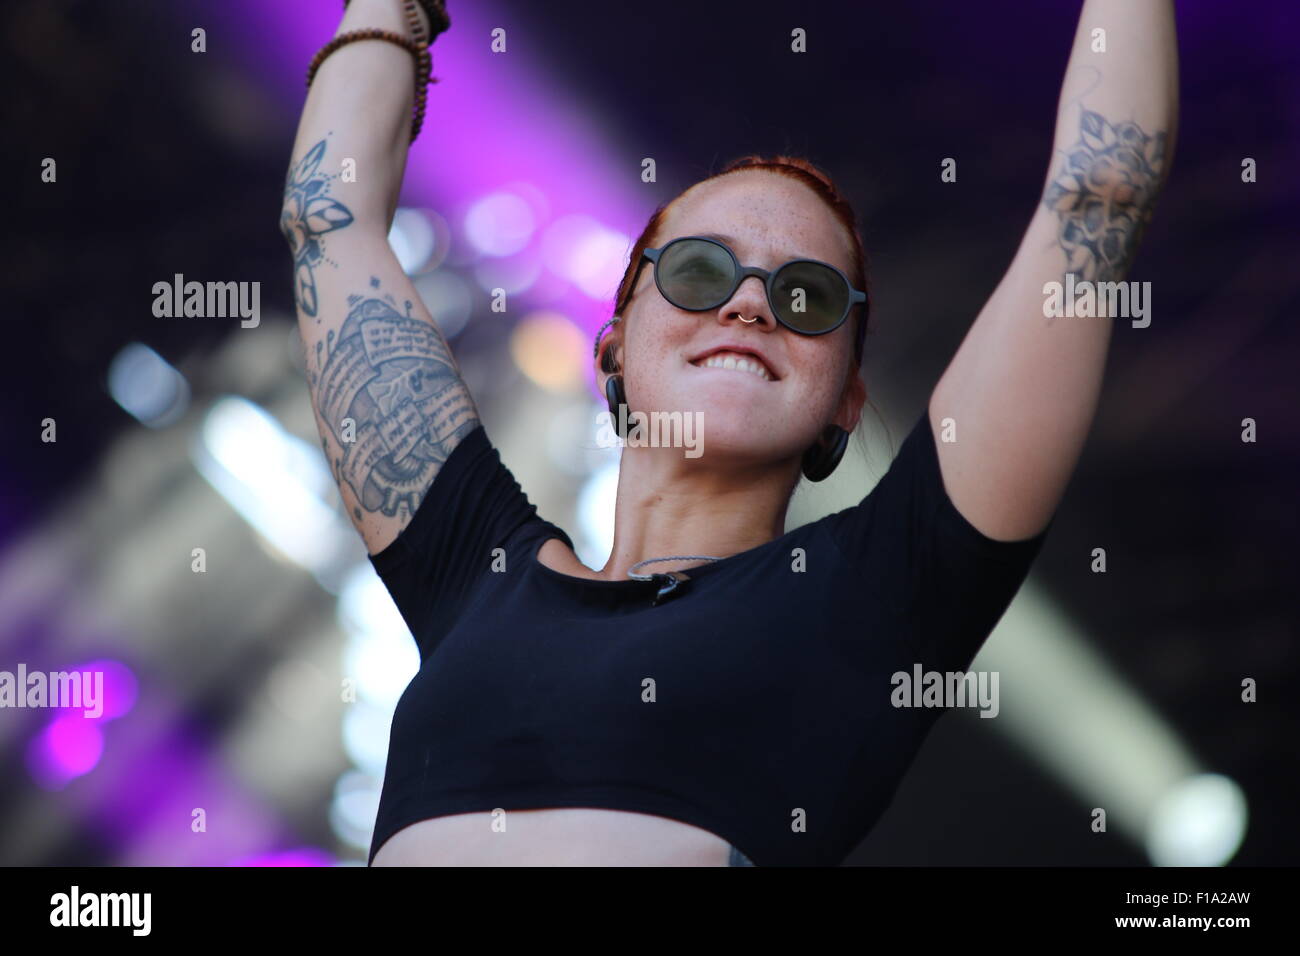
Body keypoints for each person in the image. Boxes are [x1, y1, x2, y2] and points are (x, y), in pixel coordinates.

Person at [280, 0, 1178, 866]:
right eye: (700, 269)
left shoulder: (878, 590)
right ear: (616, 345)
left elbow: (1095, 202)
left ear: (846, 404)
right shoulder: (478, 577)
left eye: (808, 296)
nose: (750, 303)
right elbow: (329, 221)